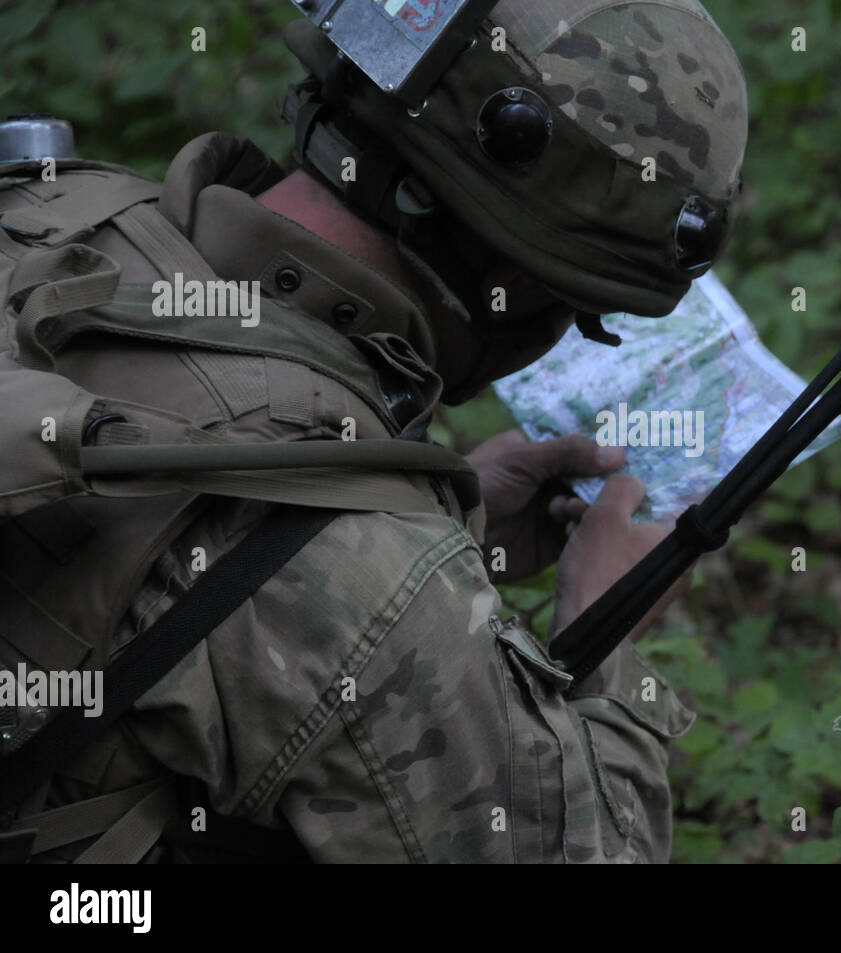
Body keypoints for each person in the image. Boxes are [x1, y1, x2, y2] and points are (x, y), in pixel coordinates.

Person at [0, 0, 747, 862]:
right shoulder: (363, 574)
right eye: (573, 307)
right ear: (511, 269)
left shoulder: (48, 208)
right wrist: (606, 630)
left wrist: (432, 528)